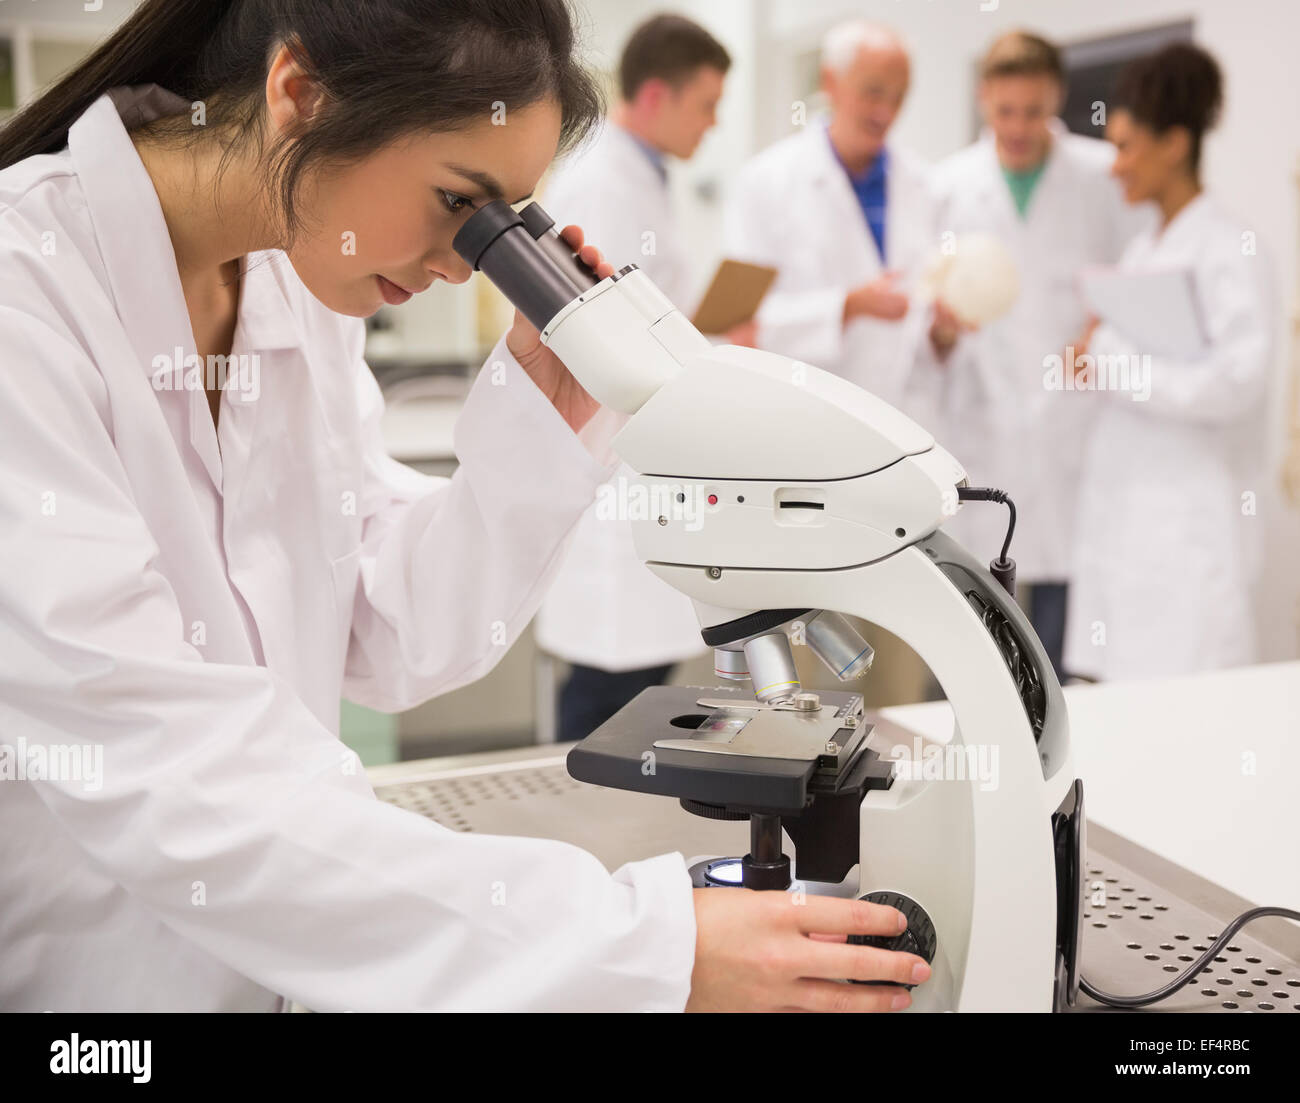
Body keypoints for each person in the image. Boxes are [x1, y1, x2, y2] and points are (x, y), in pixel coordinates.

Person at [0, 0, 929, 1012]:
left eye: (496, 224)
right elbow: (168, 775)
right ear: (300, 92)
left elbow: (383, 630)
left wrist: (538, 426)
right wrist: (646, 950)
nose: (459, 259)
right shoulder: (25, 294)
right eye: (456, 198)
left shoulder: (294, 282)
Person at [533, 14, 730, 743]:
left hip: (647, 461)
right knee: (604, 692)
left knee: (634, 681)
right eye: (706, 104)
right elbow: (611, 336)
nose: (713, 123)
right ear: (656, 95)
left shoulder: (643, 177)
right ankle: (571, 822)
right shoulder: (604, 181)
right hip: (619, 457)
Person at [930, 31, 1146, 678]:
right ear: (983, 100)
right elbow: (927, 312)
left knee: (1062, 629)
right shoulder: (947, 185)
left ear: (1057, 98)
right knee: (979, 624)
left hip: (1073, 422)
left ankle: (1057, 751)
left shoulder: (1101, 175)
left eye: (1033, 111)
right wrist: (939, 327)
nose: (1018, 128)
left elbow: (1133, 278)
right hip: (981, 417)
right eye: (1004, 112)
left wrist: (1101, 330)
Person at [1064, 43, 1273, 681]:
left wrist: (1106, 358)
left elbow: (1237, 381)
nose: (1115, 165)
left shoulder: (1227, 248)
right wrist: (1096, 359)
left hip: (1187, 534)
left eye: (1127, 147)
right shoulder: (1143, 251)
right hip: (1128, 528)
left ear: (1175, 143)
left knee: (1186, 719)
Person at [724, 20, 946, 431]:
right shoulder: (765, 181)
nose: (886, 112)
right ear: (831, 81)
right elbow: (740, 323)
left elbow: (923, 332)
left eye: (899, 97)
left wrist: (945, 329)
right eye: (874, 91)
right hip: (807, 422)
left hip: (907, 423)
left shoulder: (923, 185)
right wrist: (846, 307)